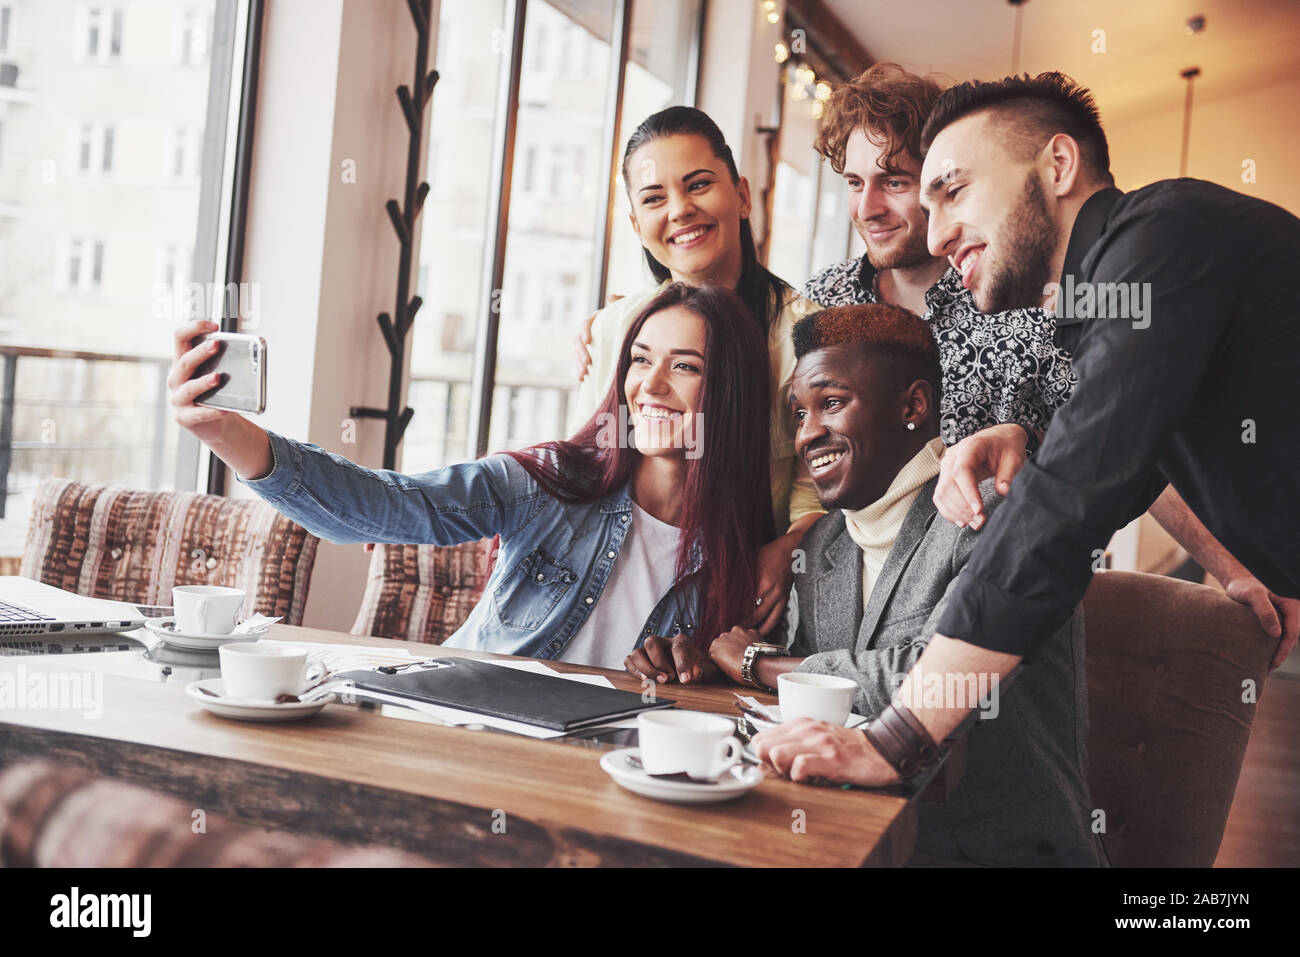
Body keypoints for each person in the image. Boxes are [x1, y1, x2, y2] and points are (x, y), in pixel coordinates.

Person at [759, 72, 1300, 790]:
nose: (939, 228)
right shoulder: (1101, 302)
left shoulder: (1164, 238)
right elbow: (1122, 461)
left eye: (952, 189)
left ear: (1058, 164)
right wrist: (1039, 445)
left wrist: (893, 740)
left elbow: (1065, 510)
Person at [167, 283, 773, 672]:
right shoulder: (554, 482)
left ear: (731, 394)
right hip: (469, 725)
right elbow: (390, 506)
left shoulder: (745, 553)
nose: (652, 385)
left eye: (686, 366)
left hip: (602, 770)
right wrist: (230, 435)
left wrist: (697, 665)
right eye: (640, 359)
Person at [718, 303, 1100, 865]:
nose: (808, 434)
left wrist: (757, 663)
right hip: (853, 842)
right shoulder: (824, 546)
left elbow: (923, 676)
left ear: (914, 406)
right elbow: (809, 706)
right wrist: (704, 660)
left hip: (998, 854)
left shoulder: (990, 508)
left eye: (831, 403)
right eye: (799, 414)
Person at [575, 106, 824, 638]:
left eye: (698, 185)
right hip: (610, 580)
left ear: (741, 195)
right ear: (638, 227)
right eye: (655, 198)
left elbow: (821, 488)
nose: (681, 210)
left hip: (743, 608)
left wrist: (785, 550)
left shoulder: (808, 339)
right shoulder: (614, 330)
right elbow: (587, 461)